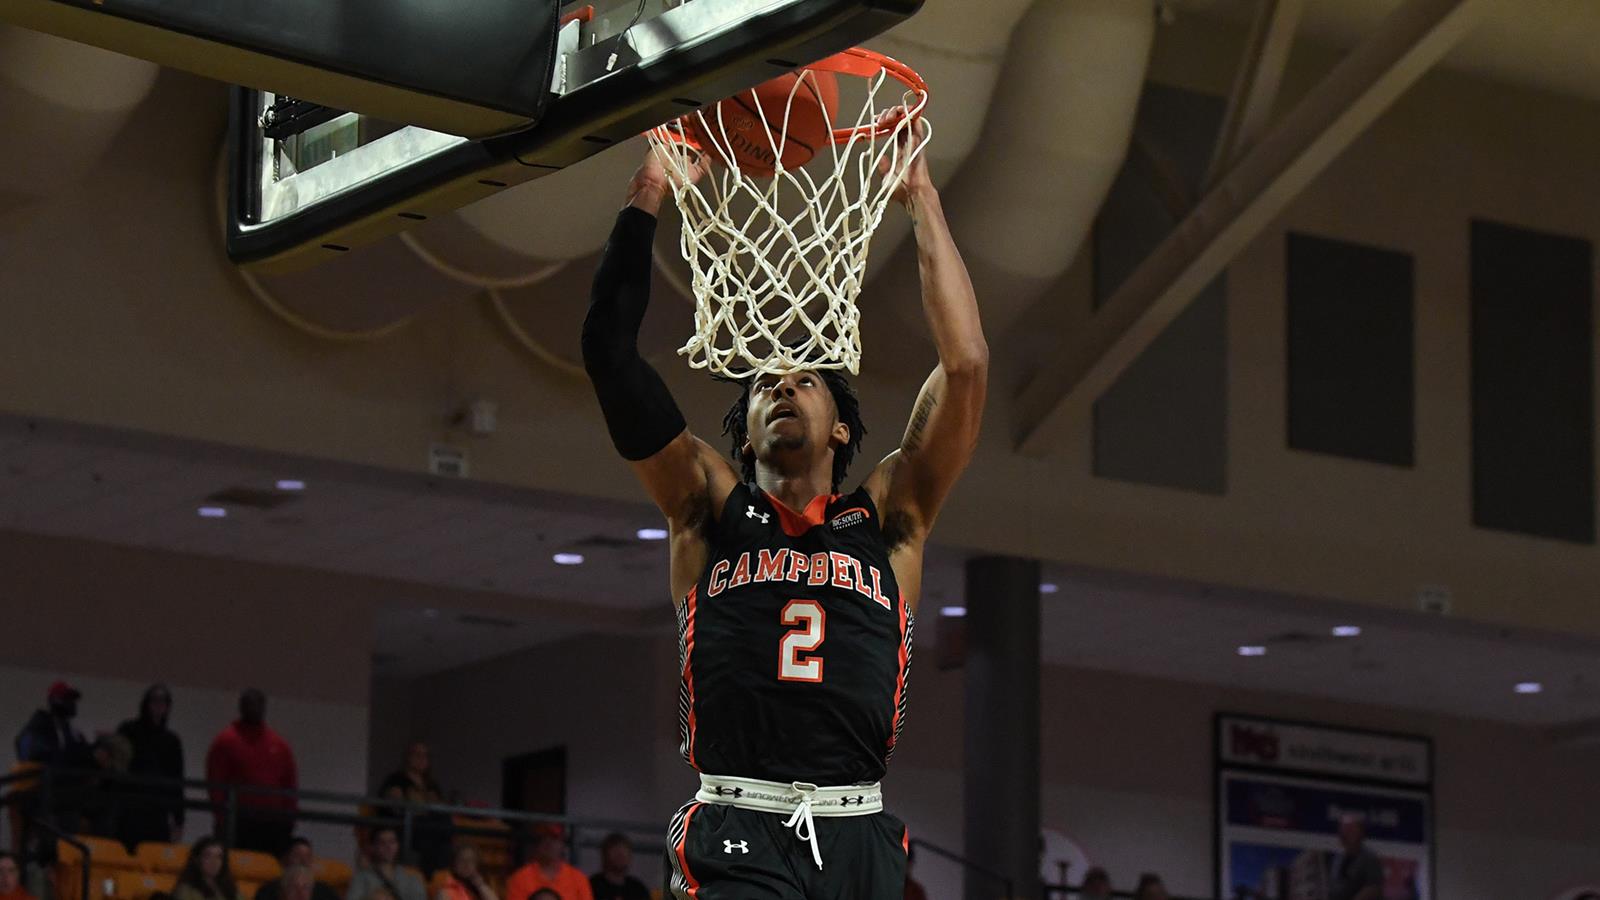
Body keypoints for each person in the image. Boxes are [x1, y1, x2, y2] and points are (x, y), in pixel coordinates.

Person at [582, 117, 986, 899]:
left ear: (840, 425)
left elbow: (965, 364)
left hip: (858, 827)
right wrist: (650, 191)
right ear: (746, 437)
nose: (779, 384)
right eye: (765, 383)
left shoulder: (892, 515)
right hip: (738, 821)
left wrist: (921, 196)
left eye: (804, 378)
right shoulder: (706, 506)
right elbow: (609, 353)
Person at [206, 689, 298, 856]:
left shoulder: (279, 744)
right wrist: (222, 818)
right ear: (241, 707)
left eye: (258, 704)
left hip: (272, 823)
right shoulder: (226, 741)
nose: (254, 708)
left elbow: (289, 784)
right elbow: (215, 782)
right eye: (249, 704)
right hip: (237, 820)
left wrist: (288, 820)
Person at [116, 684, 187, 848]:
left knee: (156, 854)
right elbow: (117, 766)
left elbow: (177, 780)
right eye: (154, 701)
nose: (158, 706)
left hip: (158, 810)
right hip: (129, 807)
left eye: (163, 703)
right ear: (146, 704)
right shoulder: (128, 730)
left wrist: (179, 818)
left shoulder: (172, 740)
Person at [378, 742, 450, 875]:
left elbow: (441, 807)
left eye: (425, 755)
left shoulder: (432, 785)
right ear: (408, 757)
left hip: (434, 832)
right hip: (409, 830)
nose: (421, 758)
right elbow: (396, 806)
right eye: (417, 754)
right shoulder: (396, 780)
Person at [504, 826, 592, 900]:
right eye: (543, 838)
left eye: (554, 839)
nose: (549, 843)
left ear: (562, 844)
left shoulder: (578, 879)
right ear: (536, 845)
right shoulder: (520, 879)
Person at [346, 827, 427, 900]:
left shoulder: (411, 878)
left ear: (398, 845)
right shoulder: (361, 878)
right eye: (382, 842)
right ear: (374, 847)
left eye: (392, 842)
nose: (388, 847)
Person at [256, 838, 340, 900]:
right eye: (297, 856)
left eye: (308, 856)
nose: (303, 861)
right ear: (285, 859)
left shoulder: (325, 892)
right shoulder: (268, 891)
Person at [1328, 815, 1383, 900]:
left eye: (1349, 831)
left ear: (1360, 834)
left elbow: (1374, 888)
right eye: (1342, 831)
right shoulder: (1338, 858)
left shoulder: (1369, 859)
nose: (1344, 835)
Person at [172, 836, 240, 900]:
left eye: (219, 857)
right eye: (208, 856)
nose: (214, 861)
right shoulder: (186, 891)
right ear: (197, 859)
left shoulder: (230, 889)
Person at [587, 834, 647, 900]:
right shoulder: (592, 887)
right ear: (605, 855)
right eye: (616, 853)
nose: (620, 858)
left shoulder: (638, 889)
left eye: (623, 855)